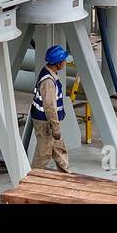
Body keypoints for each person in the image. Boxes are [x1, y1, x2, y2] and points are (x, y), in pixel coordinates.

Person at [30, 45, 70, 173]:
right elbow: (50, 107)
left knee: (59, 149)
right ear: (58, 63)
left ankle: (66, 177)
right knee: (44, 153)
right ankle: (33, 180)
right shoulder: (48, 82)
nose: (65, 62)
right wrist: (56, 127)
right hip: (46, 123)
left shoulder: (50, 74)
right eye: (63, 60)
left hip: (49, 122)